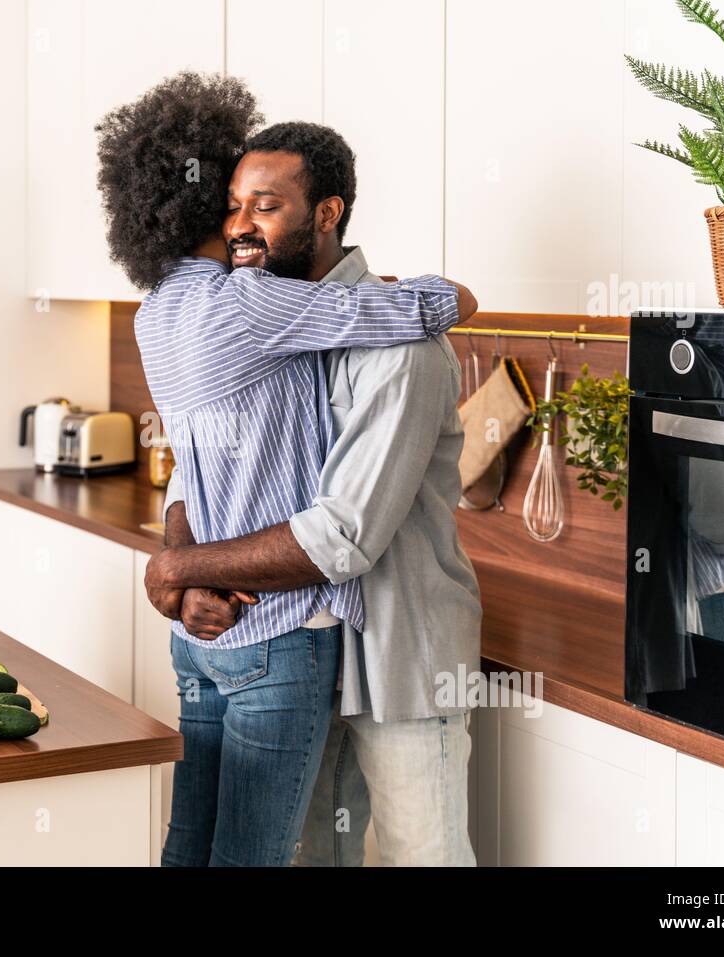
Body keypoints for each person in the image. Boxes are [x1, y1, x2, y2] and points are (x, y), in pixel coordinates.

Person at [95, 73, 476, 867]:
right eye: (230, 204)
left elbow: (342, 535)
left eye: (262, 206)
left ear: (325, 213)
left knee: (421, 856)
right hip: (301, 640)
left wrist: (177, 566)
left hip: (397, 654)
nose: (240, 223)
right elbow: (195, 466)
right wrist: (188, 567)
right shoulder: (267, 311)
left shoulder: (393, 349)